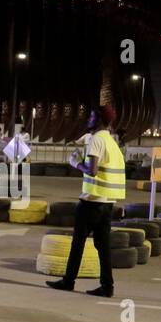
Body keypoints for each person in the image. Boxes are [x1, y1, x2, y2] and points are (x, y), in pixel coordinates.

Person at [47, 103, 125, 299]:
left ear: (98, 119)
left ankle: (68, 281)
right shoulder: (111, 141)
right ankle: (107, 286)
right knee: (103, 245)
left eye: (90, 116)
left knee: (78, 243)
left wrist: (76, 163)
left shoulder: (97, 140)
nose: (87, 119)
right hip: (107, 202)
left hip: (91, 201)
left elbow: (92, 170)